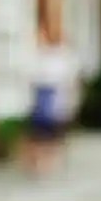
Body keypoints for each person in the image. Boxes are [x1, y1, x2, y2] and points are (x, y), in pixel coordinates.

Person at [24, 21, 79, 177]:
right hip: (39, 98)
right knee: (37, 133)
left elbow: (66, 80)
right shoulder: (37, 56)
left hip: (52, 98)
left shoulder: (59, 57)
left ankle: (49, 160)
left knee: (52, 132)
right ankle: (38, 161)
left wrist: (69, 101)